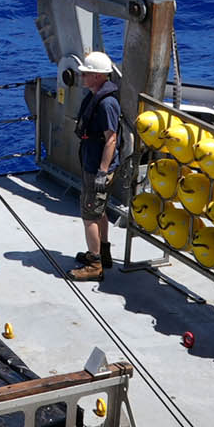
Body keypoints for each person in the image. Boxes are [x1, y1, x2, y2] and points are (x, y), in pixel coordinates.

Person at [69, 48, 121, 281]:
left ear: (98, 76)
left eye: (86, 73)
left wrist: (102, 171)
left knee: (89, 214)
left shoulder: (106, 104)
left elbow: (111, 138)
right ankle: (104, 252)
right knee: (98, 212)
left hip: (98, 169)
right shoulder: (95, 97)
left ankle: (94, 263)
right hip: (92, 164)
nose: (81, 76)